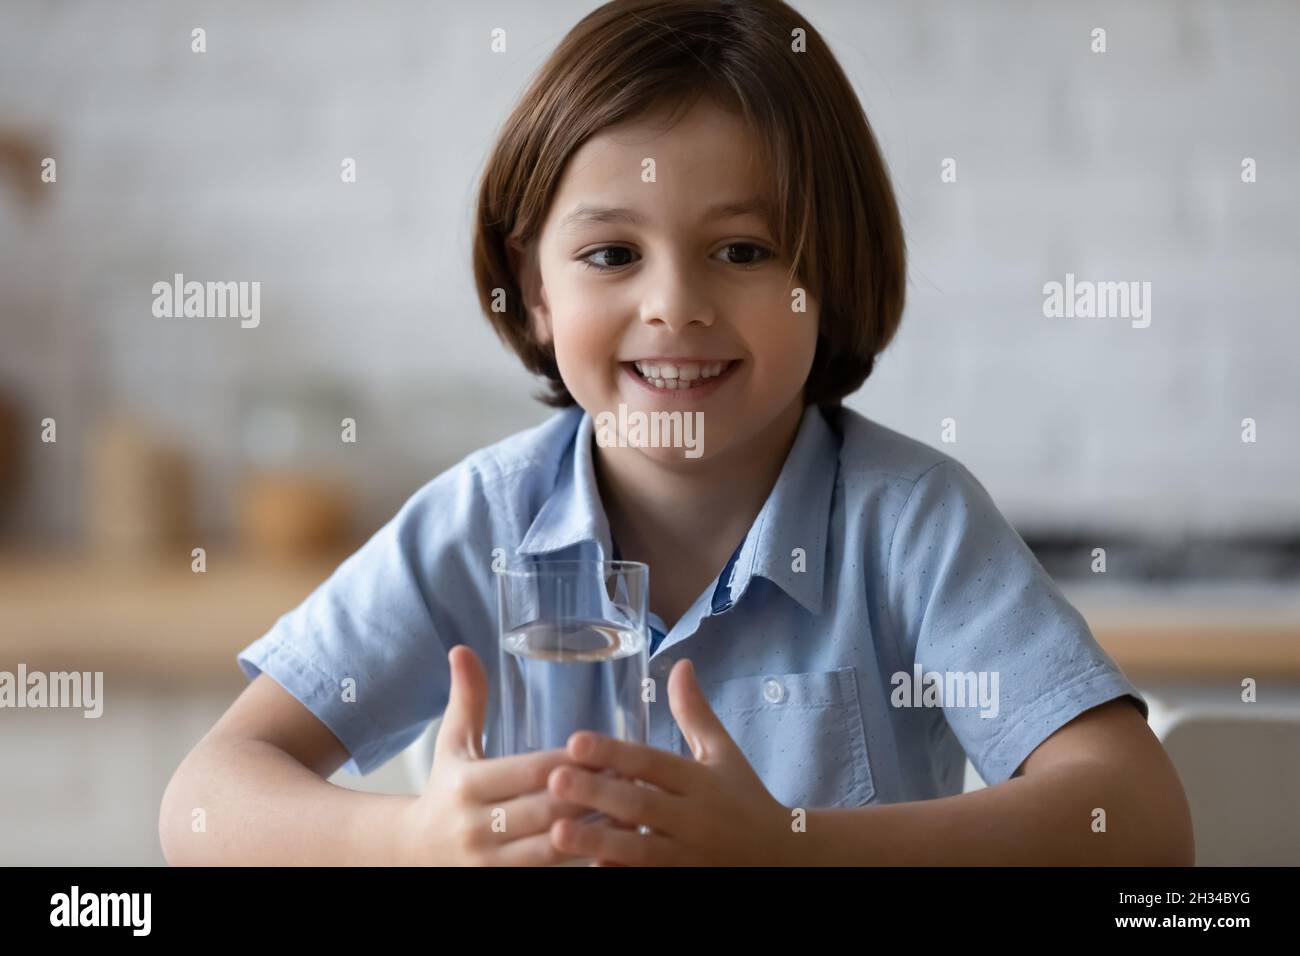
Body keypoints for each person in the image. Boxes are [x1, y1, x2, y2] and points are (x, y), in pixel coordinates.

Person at [160, 0, 1193, 866]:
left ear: (824, 278)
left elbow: (1137, 814)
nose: (675, 304)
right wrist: (413, 841)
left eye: (741, 249)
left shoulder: (909, 524)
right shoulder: (478, 522)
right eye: (611, 255)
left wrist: (791, 848)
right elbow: (203, 801)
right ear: (531, 287)